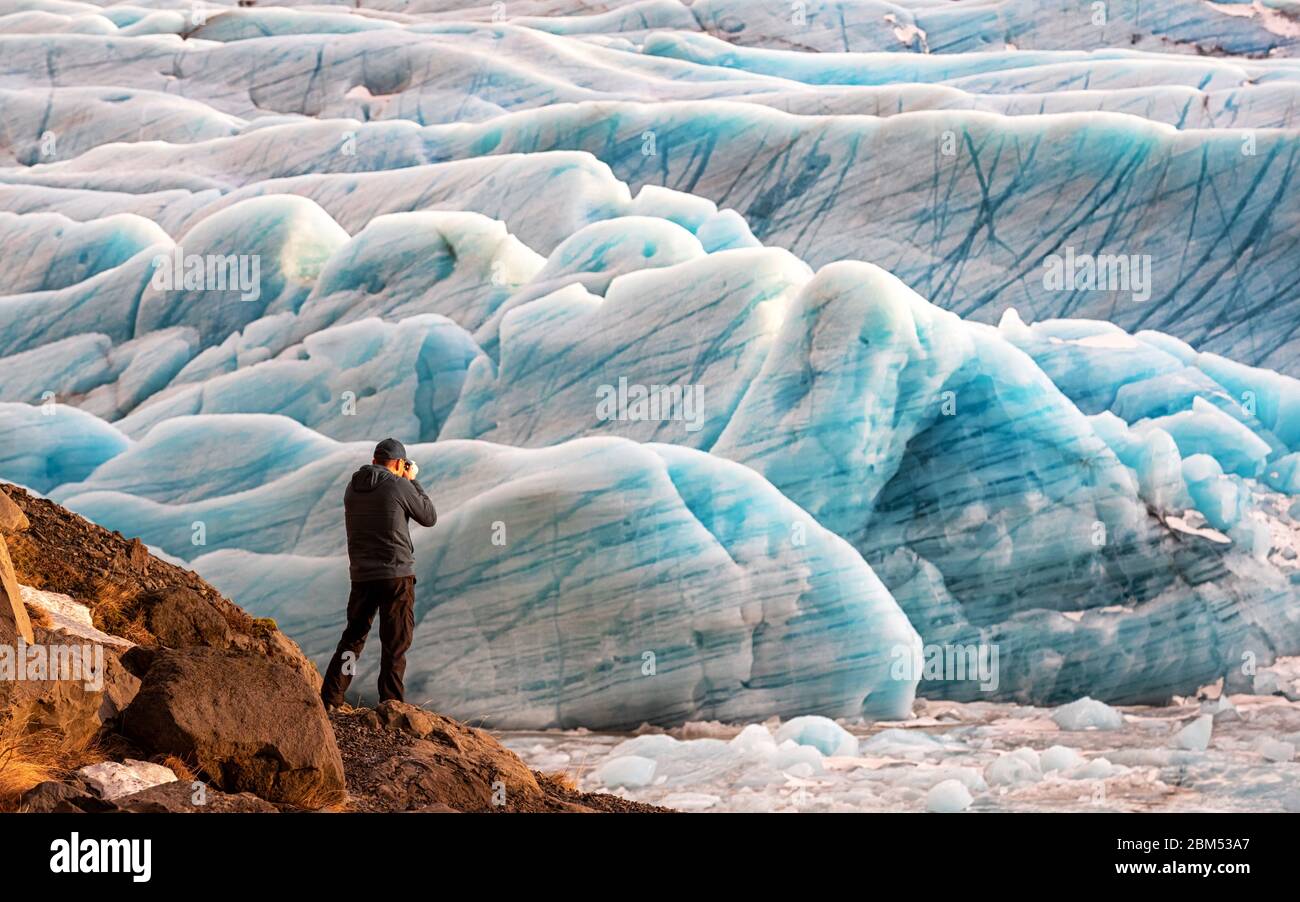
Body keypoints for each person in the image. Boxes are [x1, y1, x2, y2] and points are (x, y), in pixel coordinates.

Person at [321, 437, 437, 710]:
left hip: (362, 576)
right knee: (395, 643)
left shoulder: (352, 488)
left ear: (373, 461)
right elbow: (428, 516)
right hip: (396, 574)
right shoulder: (399, 484)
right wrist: (412, 480)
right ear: (399, 463)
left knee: (354, 637)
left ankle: (330, 698)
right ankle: (391, 704)